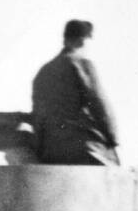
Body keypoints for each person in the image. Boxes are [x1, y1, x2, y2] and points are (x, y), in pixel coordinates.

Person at [30, 19, 120, 165]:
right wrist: (113, 140)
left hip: (51, 154)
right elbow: (100, 106)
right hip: (83, 150)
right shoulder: (82, 64)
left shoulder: (42, 73)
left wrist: (41, 151)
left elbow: (38, 117)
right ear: (83, 40)